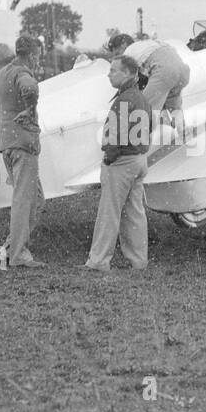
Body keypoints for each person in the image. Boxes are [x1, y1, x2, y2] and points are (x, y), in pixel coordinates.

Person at [84, 55, 152, 271]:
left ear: (127, 73)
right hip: (139, 159)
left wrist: (109, 158)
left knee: (109, 212)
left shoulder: (123, 100)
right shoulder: (141, 98)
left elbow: (116, 135)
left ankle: (99, 260)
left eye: (114, 70)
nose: (109, 74)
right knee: (135, 212)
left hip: (122, 162)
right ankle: (138, 260)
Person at [0, 36, 45, 268]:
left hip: (8, 143)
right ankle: (18, 254)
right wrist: (29, 108)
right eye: (38, 56)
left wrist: (11, 108)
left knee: (37, 199)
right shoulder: (24, 73)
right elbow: (30, 88)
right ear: (32, 55)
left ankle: (12, 245)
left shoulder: (4, 72)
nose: (38, 60)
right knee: (25, 200)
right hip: (24, 145)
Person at [106, 33, 190, 136]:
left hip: (164, 72)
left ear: (123, 44)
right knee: (174, 105)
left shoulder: (128, 53)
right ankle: (183, 132)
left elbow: (128, 80)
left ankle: (145, 140)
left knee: (147, 108)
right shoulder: (147, 44)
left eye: (117, 52)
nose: (117, 57)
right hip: (182, 71)